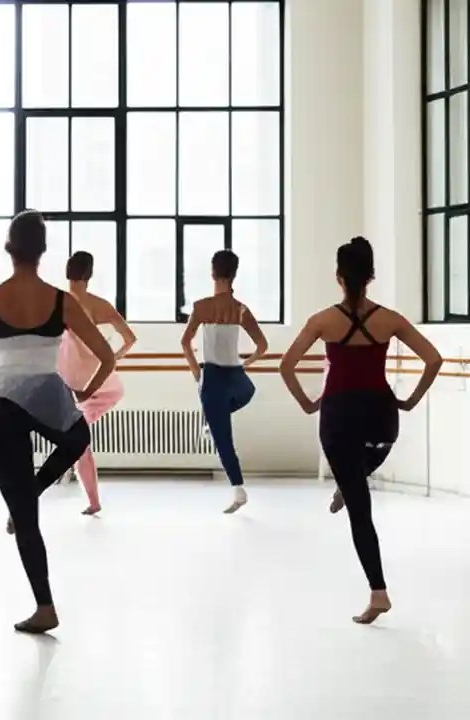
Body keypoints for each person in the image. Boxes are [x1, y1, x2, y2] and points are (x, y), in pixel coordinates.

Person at [0, 211, 115, 634]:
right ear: (42, 251)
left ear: (8, 248)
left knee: (25, 511)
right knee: (79, 437)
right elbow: (108, 356)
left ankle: (45, 605)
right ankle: (31, 498)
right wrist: (84, 392)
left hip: (0, 403)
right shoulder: (61, 301)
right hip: (47, 396)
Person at [279, 237, 442, 624]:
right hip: (382, 415)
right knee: (359, 478)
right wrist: (411, 400)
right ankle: (350, 482)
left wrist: (307, 403)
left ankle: (379, 593)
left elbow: (287, 365)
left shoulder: (323, 320)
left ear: (339, 277)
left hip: (338, 416)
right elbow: (433, 358)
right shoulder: (391, 320)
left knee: (360, 509)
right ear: (371, 276)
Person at [180, 250, 269, 513]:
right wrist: (246, 363)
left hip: (212, 377)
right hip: (235, 376)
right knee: (239, 402)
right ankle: (213, 421)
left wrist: (197, 372)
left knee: (222, 438)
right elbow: (262, 346)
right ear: (234, 275)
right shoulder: (240, 310)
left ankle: (238, 489)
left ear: (212, 273)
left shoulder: (201, 306)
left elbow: (185, 342)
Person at [55, 251, 136, 515]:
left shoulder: (58, 302)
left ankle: (91, 497)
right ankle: (92, 499)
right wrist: (111, 358)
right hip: (95, 382)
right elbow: (129, 338)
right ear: (88, 275)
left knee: (78, 441)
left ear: (68, 273)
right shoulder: (97, 304)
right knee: (79, 440)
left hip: (83, 385)